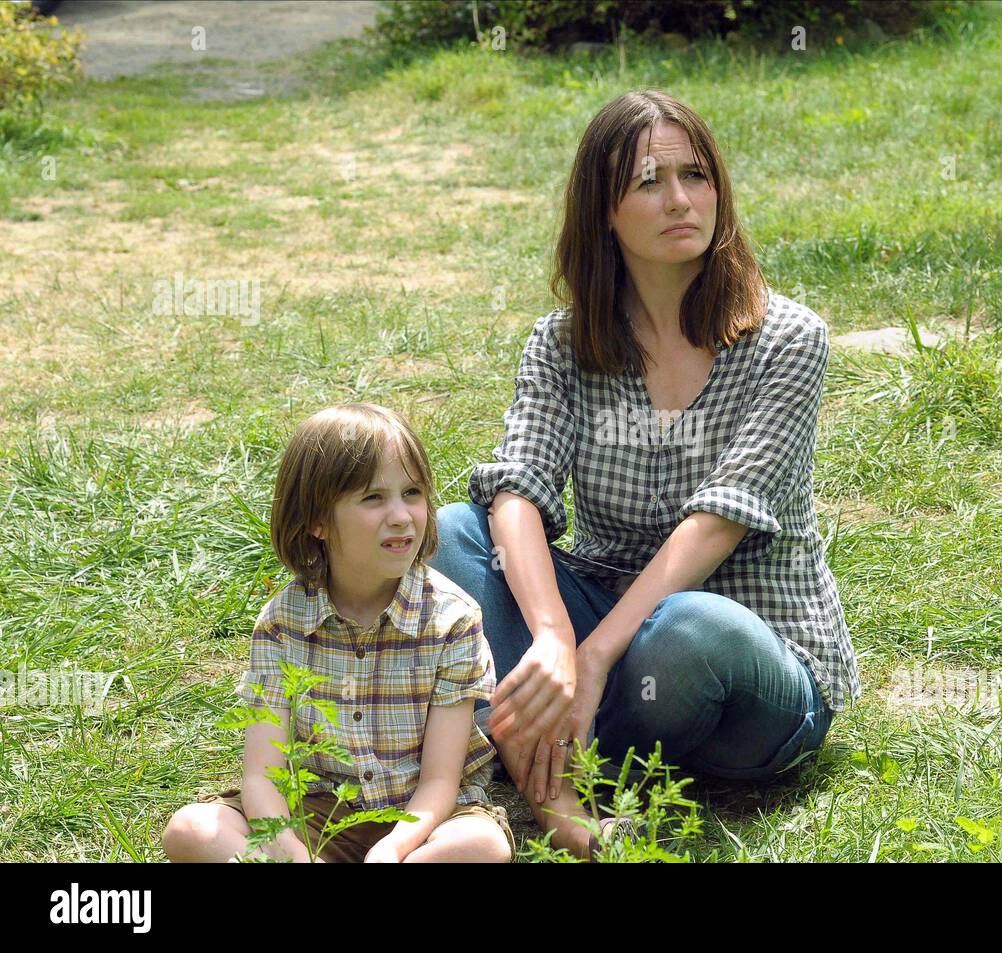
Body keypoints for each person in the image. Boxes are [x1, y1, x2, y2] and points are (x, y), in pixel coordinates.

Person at [431, 89, 862, 860]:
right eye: (648, 182)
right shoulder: (563, 344)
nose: (680, 200)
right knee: (455, 534)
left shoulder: (788, 339)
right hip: (603, 620)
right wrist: (557, 635)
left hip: (743, 662)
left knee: (688, 628)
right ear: (603, 208)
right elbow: (516, 484)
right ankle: (557, 767)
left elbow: (719, 520)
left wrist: (593, 656)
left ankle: (526, 737)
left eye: (696, 176)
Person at [163, 403, 515, 863]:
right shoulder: (282, 623)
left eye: (411, 492)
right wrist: (292, 854)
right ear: (317, 522)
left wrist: (392, 849)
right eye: (373, 498)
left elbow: (440, 782)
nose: (401, 516)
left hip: (423, 821)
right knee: (192, 830)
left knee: (482, 846)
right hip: (318, 814)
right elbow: (261, 776)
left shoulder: (452, 619)